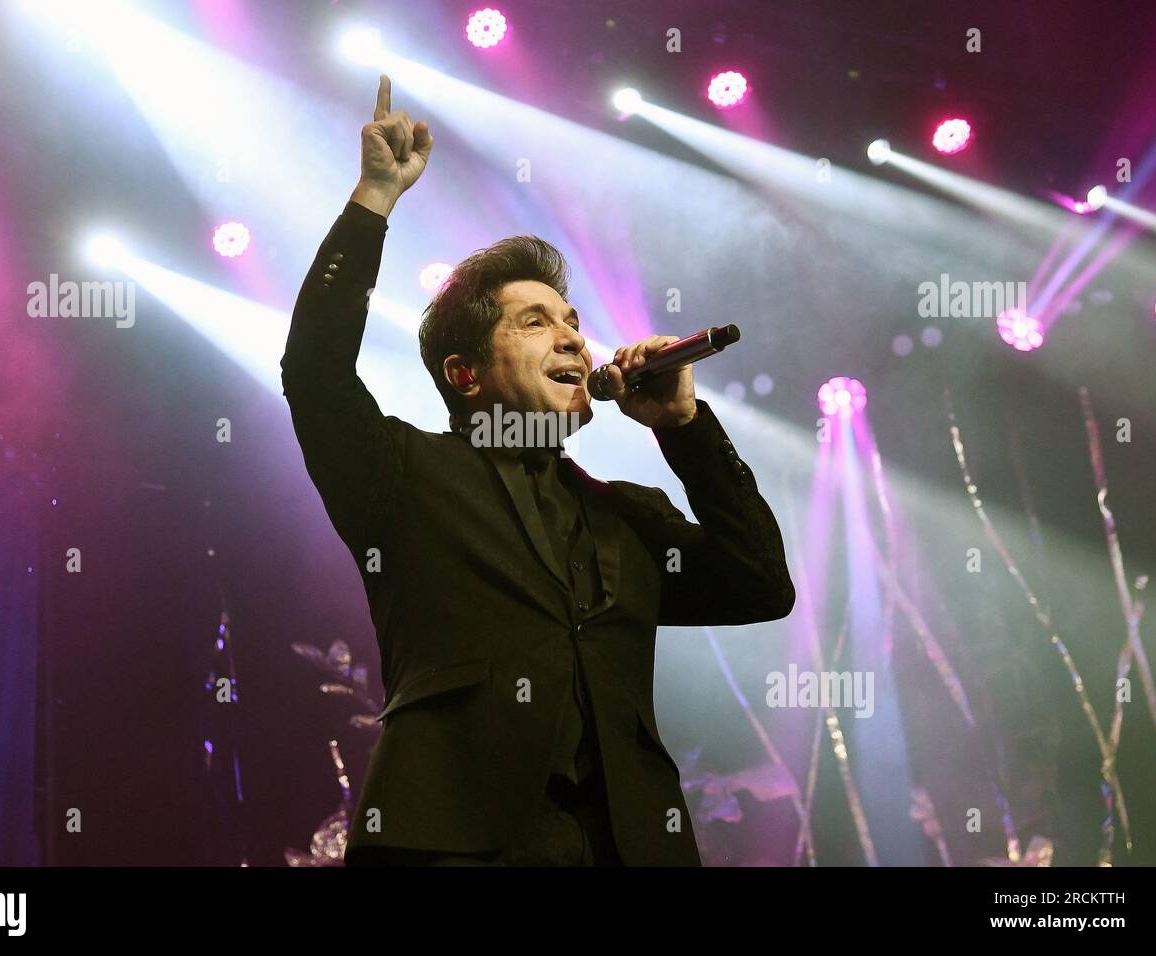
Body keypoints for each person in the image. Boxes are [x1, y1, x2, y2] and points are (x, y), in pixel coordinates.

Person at [280, 75, 795, 866]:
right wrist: (374, 198)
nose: (572, 342)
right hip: (451, 845)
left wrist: (684, 427)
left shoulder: (628, 514)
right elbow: (315, 371)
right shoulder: (403, 474)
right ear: (465, 374)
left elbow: (762, 583)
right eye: (535, 323)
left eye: (575, 325)